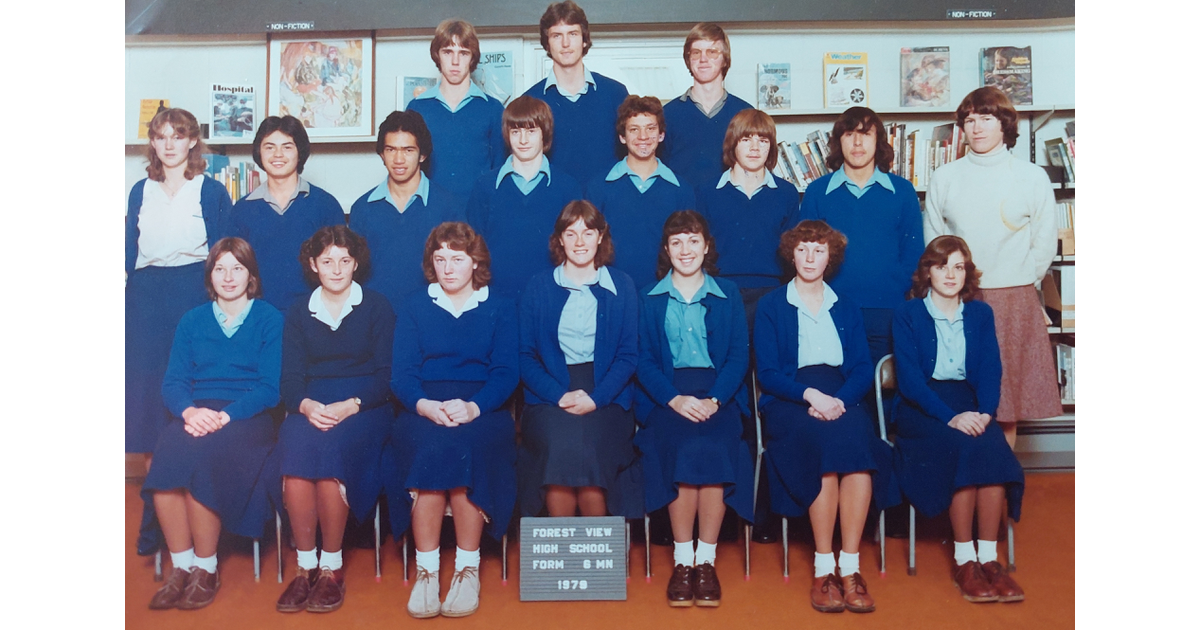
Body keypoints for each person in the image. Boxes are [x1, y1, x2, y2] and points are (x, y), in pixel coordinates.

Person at [754, 220, 898, 613]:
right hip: (791, 398)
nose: (811, 257)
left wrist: (838, 400)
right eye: (803, 249)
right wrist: (810, 395)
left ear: (830, 255)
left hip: (841, 395)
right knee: (823, 445)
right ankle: (823, 568)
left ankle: (849, 568)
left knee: (857, 444)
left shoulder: (845, 305)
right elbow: (767, 373)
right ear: (791, 253)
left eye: (819, 249)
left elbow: (860, 367)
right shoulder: (771, 306)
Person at [386, 222, 518, 619]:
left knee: (466, 445)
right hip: (423, 407)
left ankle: (467, 568)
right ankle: (426, 573)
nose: (448, 268)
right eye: (439, 259)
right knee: (430, 444)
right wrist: (425, 405)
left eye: (457, 259)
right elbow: (402, 375)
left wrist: (475, 406)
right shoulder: (414, 306)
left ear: (475, 262)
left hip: (482, 407)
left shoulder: (499, 305)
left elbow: (506, 371)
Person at [142, 237, 283, 611]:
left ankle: (206, 569)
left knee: (205, 457)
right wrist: (189, 412)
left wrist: (226, 415)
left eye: (237, 267)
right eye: (220, 268)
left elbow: (270, 388)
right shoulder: (192, 320)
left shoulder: (269, 318)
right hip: (197, 412)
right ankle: (182, 566)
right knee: (167, 455)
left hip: (247, 416)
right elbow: (173, 381)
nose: (229, 276)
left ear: (250, 275)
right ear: (210, 276)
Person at [924, 87, 1061, 447]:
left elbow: (1044, 241)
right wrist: (950, 285)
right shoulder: (945, 177)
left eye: (986, 118)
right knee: (962, 390)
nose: (977, 127)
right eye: (969, 120)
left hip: (1013, 297)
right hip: (958, 297)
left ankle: (1000, 485)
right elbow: (935, 241)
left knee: (1005, 398)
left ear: (1004, 124)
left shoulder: (1031, 177)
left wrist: (1018, 277)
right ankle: (968, 484)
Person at [891, 235, 1025, 603]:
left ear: (967, 273)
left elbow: (990, 371)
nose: (950, 274)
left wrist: (985, 413)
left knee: (993, 448)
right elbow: (911, 382)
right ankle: (965, 559)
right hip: (925, 408)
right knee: (961, 449)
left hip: (971, 404)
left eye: (958, 266)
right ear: (927, 272)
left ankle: (989, 559)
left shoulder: (981, 313)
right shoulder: (908, 314)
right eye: (941, 266)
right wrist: (951, 417)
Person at [126, 107, 233, 554]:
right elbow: (125, 253)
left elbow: (226, 255)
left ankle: (200, 510)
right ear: (153, 143)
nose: (169, 144)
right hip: (146, 300)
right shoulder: (140, 190)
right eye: (161, 136)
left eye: (179, 136)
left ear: (193, 142)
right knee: (150, 406)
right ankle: (156, 515)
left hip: (192, 294)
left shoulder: (208, 190)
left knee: (191, 397)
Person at [274, 226, 396, 613]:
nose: (337, 268)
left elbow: (387, 377)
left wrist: (351, 404)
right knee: (295, 455)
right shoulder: (297, 311)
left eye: (344, 260)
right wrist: (308, 406)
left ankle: (331, 566)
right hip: (312, 404)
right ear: (313, 265)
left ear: (356, 263)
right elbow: (290, 380)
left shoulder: (377, 306)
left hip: (364, 407)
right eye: (327, 261)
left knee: (332, 456)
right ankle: (304, 566)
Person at [635, 210, 753, 608]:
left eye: (693, 241)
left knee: (717, 447)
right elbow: (644, 361)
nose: (686, 250)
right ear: (667, 250)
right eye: (677, 242)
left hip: (718, 393)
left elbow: (738, 356)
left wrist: (715, 399)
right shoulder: (649, 298)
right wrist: (674, 399)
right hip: (668, 396)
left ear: (706, 246)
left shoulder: (728, 294)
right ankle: (683, 562)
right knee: (680, 447)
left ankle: (707, 561)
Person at [517, 201, 641, 519]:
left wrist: (597, 398)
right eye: (570, 234)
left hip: (607, 393)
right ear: (559, 240)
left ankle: (595, 564)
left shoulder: (623, 286)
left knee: (592, 451)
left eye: (588, 233)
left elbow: (628, 356)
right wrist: (559, 395)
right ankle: (565, 563)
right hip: (550, 392)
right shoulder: (537, 286)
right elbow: (526, 356)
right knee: (561, 448)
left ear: (601, 237)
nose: (580, 242)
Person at [798, 107, 923, 367]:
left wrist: (892, 289)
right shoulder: (817, 192)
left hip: (887, 310)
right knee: (836, 391)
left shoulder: (902, 192)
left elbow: (913, 255)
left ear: (878, 141)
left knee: (884, 394)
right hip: (831, 309)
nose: (857, 143)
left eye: (865, 134)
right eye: (849, 134)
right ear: (837, 142)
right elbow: (804, 255)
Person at [466, 95, 582, 302]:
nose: (523, 140)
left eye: (531, 131)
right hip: (496, 298)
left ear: (544, 134)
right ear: (506, 135)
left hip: (553, 298)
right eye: (516, 131)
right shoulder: (485, 187)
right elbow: (473, 249)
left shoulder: (568, 187)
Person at [349, 110, 466, 313]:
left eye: (408, 150)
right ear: (381, 154)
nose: (399, 159)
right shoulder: (362, 208)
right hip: (376, 319)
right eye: (391, 150)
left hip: (434, 315)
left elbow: (460, 270)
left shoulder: (448, 205)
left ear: (422, 154)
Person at [226, 115, 345, 312]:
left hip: (315, 315)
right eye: (269, 147)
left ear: (300, 153)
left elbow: (340, 269)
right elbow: (232, 271)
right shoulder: (242, 210)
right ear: (259, 152)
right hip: (257, 316)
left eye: (287, 147)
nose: (278, 154)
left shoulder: (326, 205)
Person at [695, 108, 801, 323]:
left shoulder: (786, 193)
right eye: (746, 139)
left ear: (771, 147)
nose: (754, 148)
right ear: (733, 143)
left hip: (772, 291)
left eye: (762, 140)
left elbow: (793, 255)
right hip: (720, 290)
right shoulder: (707, 192)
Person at [584, 95, 696, 289]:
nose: (643, 137)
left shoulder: (681, 190)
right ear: (622, 136)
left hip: (665, 294)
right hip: (611, 292)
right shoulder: (598, 188)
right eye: (634, 129)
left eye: (650, 128)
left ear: (661, 135)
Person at [522, 1, 629, 185]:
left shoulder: (615, 94)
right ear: (547, 44)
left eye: (572, 34)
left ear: (584, 39)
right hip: (554, 208)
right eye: (557, 35)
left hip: (605, 207)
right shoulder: (530, 101)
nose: (565, 43)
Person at [406, 19, 507, 199]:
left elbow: (500, 171)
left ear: (472, 58)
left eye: (463, 53)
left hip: (477, 214)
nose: (455, 61)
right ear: (437, 55)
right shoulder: (417, 108)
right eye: (447, 52)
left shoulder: (493, 109)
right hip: (430, 213)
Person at [660, 23, 754, 191]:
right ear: (688, 60)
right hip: (684, 213)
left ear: (725, 59)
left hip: (729, 209)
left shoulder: (746, 113)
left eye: (712, 52)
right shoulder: (667, 114)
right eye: (696, 53)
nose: (703, 59)